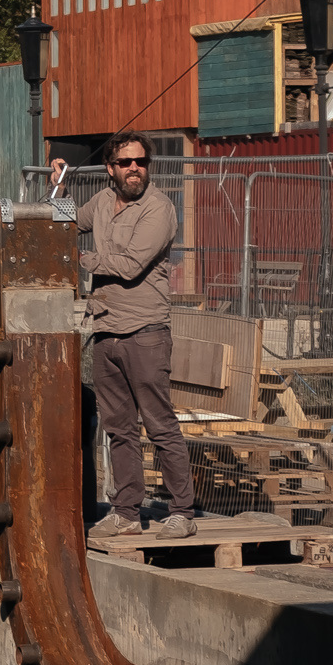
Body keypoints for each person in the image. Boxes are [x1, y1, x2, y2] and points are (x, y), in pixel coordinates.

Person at [51, 132, 198, 540]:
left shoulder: (159, 208)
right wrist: (58, 187)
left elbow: (131, 265)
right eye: (126, 163)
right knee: (120, 428)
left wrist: (81, 259)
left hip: (145, 332)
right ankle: (126, 513)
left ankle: (182, 512)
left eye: (141, 162)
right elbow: (63, 221)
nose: (135, 169)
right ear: (111, 169)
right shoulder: (99, 202)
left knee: (160, 424)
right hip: (105, 330)